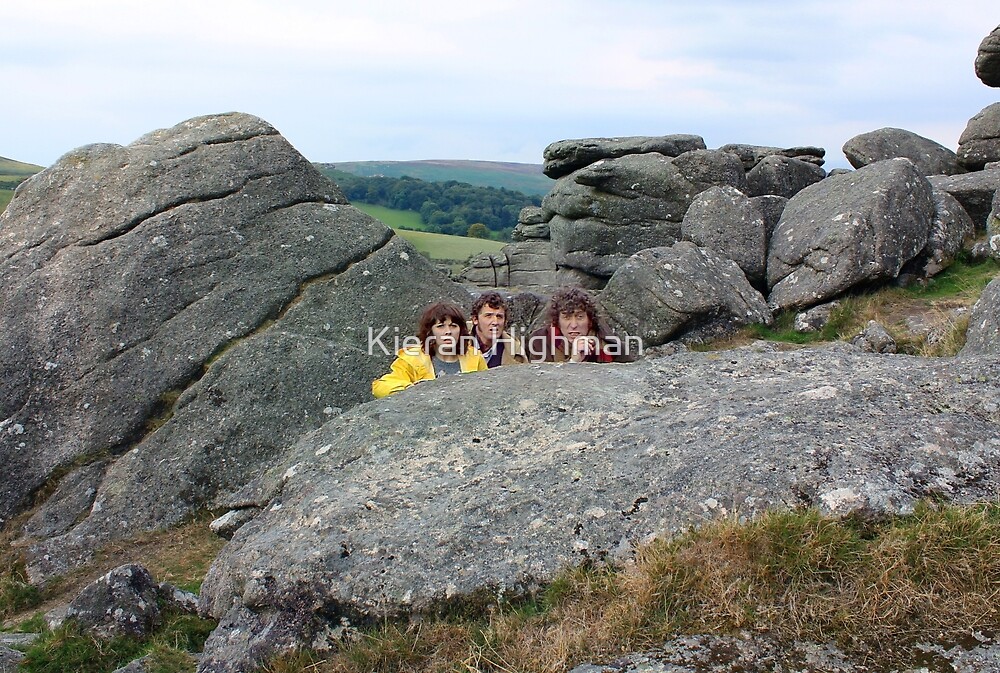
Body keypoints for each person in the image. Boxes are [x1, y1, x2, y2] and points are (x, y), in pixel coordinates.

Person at [372, 301, 488, 398]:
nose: (448, 331)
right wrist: (410, 389)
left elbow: (488, 388)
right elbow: (380, 387)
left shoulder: (474, 357)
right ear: (430, 331)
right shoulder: (412, 358)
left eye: (453, 326)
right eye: (441, 326)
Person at [526, 286, 620, 363]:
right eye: (566, 317)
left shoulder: (611, 344)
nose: (574, 325)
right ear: (557, 321)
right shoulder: (540, 340)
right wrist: (574, 361)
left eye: (580, 317)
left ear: (590, 320)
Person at [469, 291, 527, 368]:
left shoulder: (515, 352)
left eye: (499, 317)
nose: (495, 322)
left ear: (505, 321)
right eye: (488, 316)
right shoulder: (458, 343)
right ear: (475, 319)